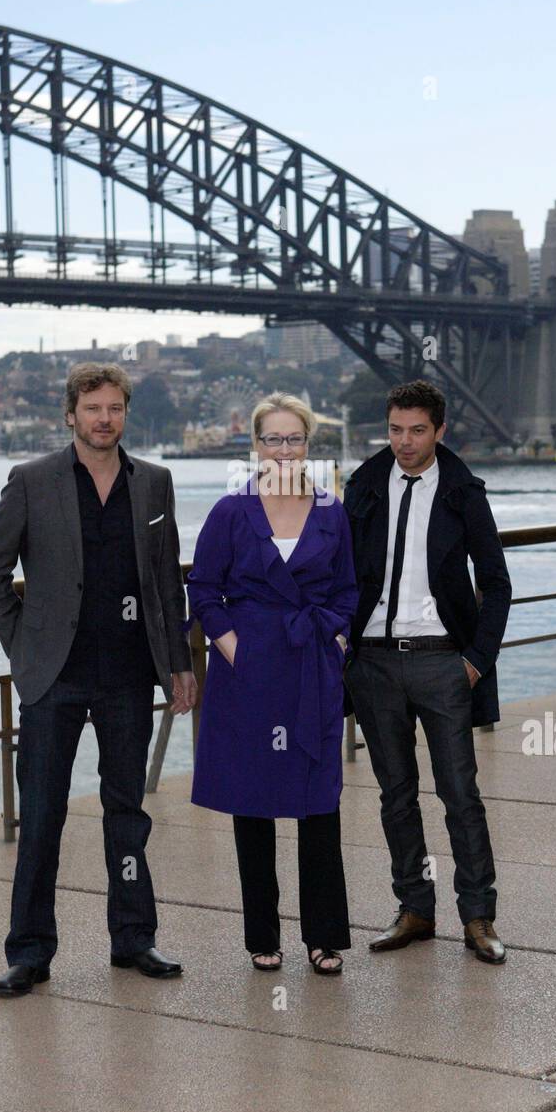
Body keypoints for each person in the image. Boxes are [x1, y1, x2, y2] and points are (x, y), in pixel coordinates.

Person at [0, 362, 197, 996]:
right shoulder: (32, 481)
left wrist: (178, 662)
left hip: (128, 675)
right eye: (93, 408)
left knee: (127, 812)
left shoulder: (154, 483)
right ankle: (30, 952)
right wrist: (24, 646)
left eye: (115, 409)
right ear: (70, 414)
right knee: (41, 816)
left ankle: (133, 937)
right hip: (54, 680)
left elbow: (164, 584)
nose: (105, 419)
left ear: (126, 414)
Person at [185, 393, 359, 975]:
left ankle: (324, 935)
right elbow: (204, 589)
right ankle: (263, 935)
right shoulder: (230, 512)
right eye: (272, 439)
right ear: (255, 445)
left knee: (318, 805)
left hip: (311, 668)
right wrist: (233, 649)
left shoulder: (332, 509)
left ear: (309, 443)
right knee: (252, 807)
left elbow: (347, 593)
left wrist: (332, 642)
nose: (284, 450)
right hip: (249, 676)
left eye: (294, 439)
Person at [342, 379, 512, 964]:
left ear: (440, 430)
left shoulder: (464, 491)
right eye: (395, 429)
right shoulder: (363, 486)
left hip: (444, 660)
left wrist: (476, 660)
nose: (404, 442)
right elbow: (339, 573)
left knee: (461, 794)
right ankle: (414, 908)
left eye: (417, 431)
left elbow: (496, 582)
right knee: (395, 795)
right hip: (374, 663)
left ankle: (478, 916)